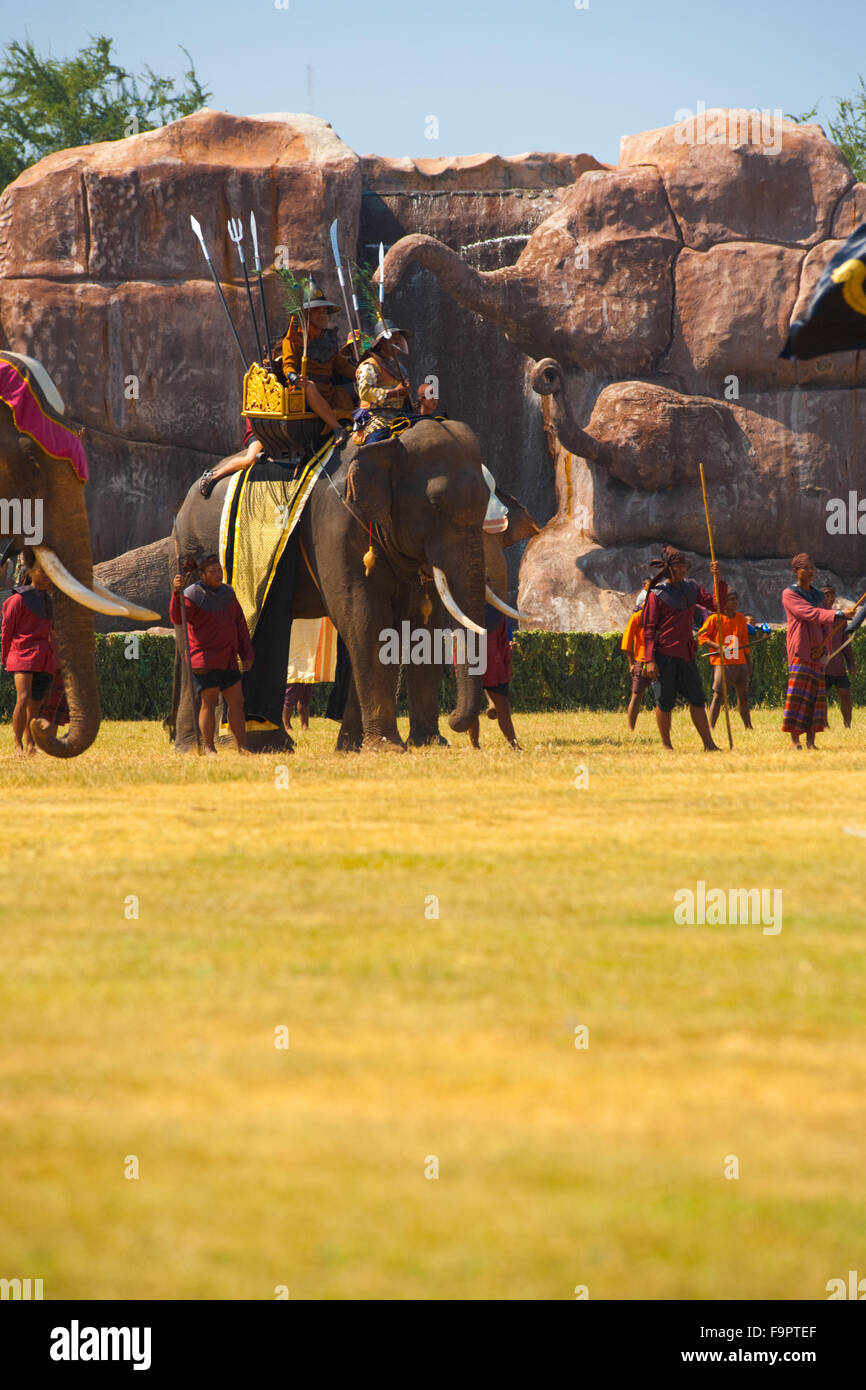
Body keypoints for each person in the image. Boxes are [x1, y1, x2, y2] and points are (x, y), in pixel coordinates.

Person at [642, 544, 726, 751]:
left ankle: (709, 744)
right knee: (665, 702)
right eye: (680, 565)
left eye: (684, 565)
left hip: (686, 654)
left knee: (697, 699)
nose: (684, 569)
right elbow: (649, 629)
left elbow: (717, 605)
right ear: (670, 568)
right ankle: (667, 745)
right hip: (664, 656)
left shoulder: (692, 588)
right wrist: (649, 660)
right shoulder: (656, 594)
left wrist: (718, 580)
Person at [170, 554, 254, 756]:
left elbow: (240, 625)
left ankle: (242, 747)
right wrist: (176, 594)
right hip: (205, 660)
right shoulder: (191, 595)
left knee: (237, 703)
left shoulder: (228, 594)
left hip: (228, 660)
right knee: (209, 704)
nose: (218, 574)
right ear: (202, 574)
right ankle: (209, 747)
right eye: (213, 571)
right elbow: (177, 617)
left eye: (220, 570)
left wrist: (247, 653)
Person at [781, 554, 851, 749]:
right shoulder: (789, 594)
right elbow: (809, 613)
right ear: (796, 571)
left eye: (813, 568)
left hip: (817, 654)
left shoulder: (819, 596)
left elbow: (826, 626)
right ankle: (795, 741)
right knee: (797, 696)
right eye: (806, 568)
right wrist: (838, 613)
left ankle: (811, 741)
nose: (811, 572)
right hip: (800, 651)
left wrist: (825, 650)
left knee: (816, 698)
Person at [1, 553, 57, 755]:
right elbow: (7, 631)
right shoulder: (17, 600)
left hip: (44, 657)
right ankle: (18, 744)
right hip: (22, 654)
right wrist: (4, 656)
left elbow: (54, 631)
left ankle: (31, 744)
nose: (47, 575)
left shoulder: (49, 601)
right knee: (23, 698)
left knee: (35, 706)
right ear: (32, 572)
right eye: (43, 571)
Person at [352, 320, 439, 445]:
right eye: (393, 337)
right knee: (375, 446)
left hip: (401, 414)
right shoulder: (370, 365)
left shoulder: (399, 367)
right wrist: (395, 392)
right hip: (378, 417)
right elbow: (365, 393)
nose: (397, 341)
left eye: (399, 337)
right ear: (381, 342)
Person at [467, 601, 520, 750]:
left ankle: (513, 744)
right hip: (473, 663)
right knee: (471, 708)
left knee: (503, 706)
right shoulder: (464, 610)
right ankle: (475, 745)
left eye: (488, 580)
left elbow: (506, 633)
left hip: (494, 664)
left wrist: (510, 642)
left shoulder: (497, 614)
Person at [697, 589, 753, 730]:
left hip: (740, 662)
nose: (735, 601)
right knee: (719, 696)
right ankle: (711, 727)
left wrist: (748, 661)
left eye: (736, 598)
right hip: (723, 663)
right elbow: (701, 637)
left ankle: (748, 726)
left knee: (744, 695)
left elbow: (744, 641)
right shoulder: (714, 618)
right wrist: (718, 647)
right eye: (730, 599)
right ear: (723, 602)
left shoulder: (740, 618)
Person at [621, 581, 655, 730]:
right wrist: (631, 663)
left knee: (663, 697)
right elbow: (627, 643)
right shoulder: (636, 618)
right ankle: (631, 729)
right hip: (641, 661)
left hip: (657, 661)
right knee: (636, 696)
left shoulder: (659, 617)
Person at [821, 584, 855, 727]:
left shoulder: (840, 618)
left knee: (846, 695)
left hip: (838, 667)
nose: (829, 598)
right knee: (822, 698)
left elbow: (845, 643)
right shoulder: (817, 617)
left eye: (831, 595)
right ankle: (825, 725)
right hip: (823, 666)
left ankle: (847, 725)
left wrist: (851, 663)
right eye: (826, 595)